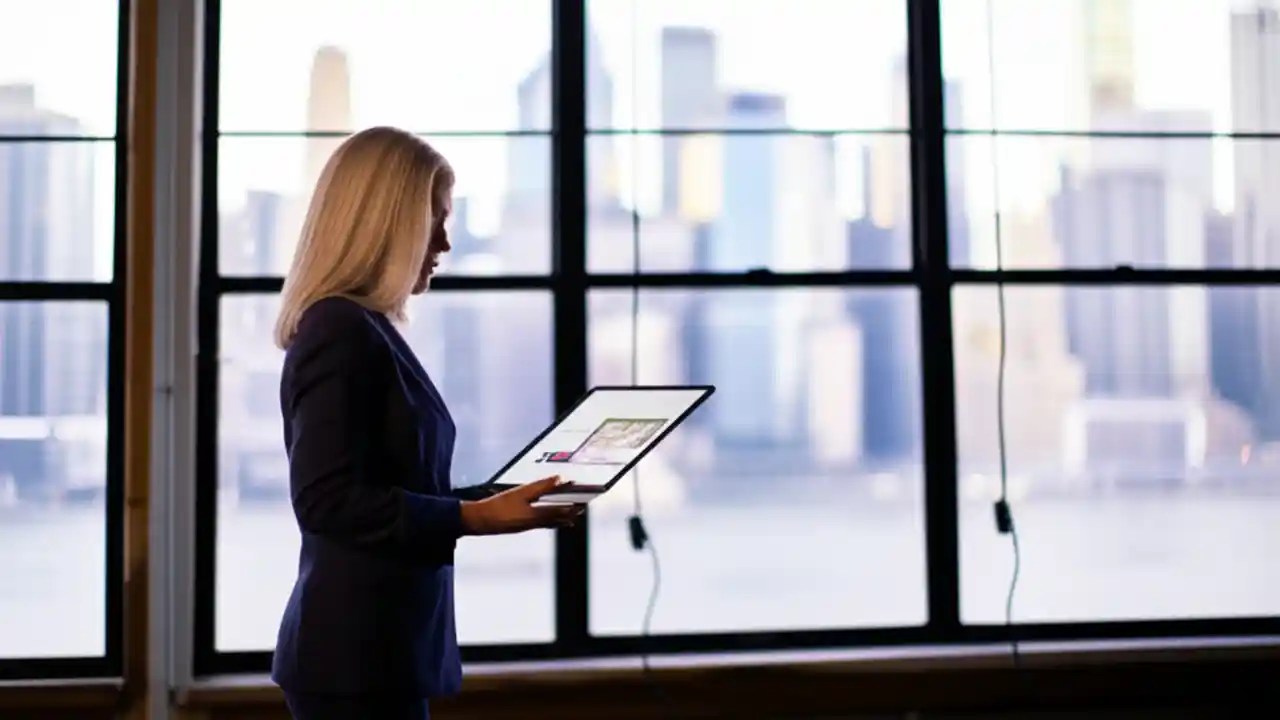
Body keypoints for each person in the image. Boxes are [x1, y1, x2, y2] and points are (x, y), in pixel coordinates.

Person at [269, 126, 583, 720]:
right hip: (352, 660)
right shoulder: (339, 330)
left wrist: (503, 499)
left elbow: (399, 492)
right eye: (433, 219)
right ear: (385, 224)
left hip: (381, 653)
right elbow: (328, 501)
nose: (443, 243)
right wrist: (474, 516)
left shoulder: (370, 330)